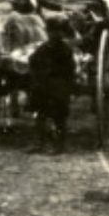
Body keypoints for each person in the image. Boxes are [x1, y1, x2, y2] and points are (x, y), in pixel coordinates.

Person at [27, 15, 76, 154]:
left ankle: (59, 146)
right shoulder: (44, 47)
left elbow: (69, 70)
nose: (54, 34)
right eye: (51, 32)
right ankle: (40, 143)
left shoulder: (65, 50)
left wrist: (50, 72)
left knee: (59, 117)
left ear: (62, 33)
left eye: (57, 32)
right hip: (43, 87)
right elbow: (32, 60)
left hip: (58, 87)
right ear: (48, 33)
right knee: (40, 115)